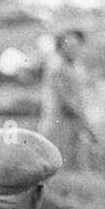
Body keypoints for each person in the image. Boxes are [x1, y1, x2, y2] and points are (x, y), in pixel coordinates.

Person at [38, 29, 91, 170]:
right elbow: (65, 97)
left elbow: (79, 93)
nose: (73, 49)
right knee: (56, 155)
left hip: (74, 117)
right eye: (68, 45)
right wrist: (83, 118)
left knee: (77, 153)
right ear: (61, 47)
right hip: (58, 116)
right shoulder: (56, 65)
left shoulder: (77, 66)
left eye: (76, 45)